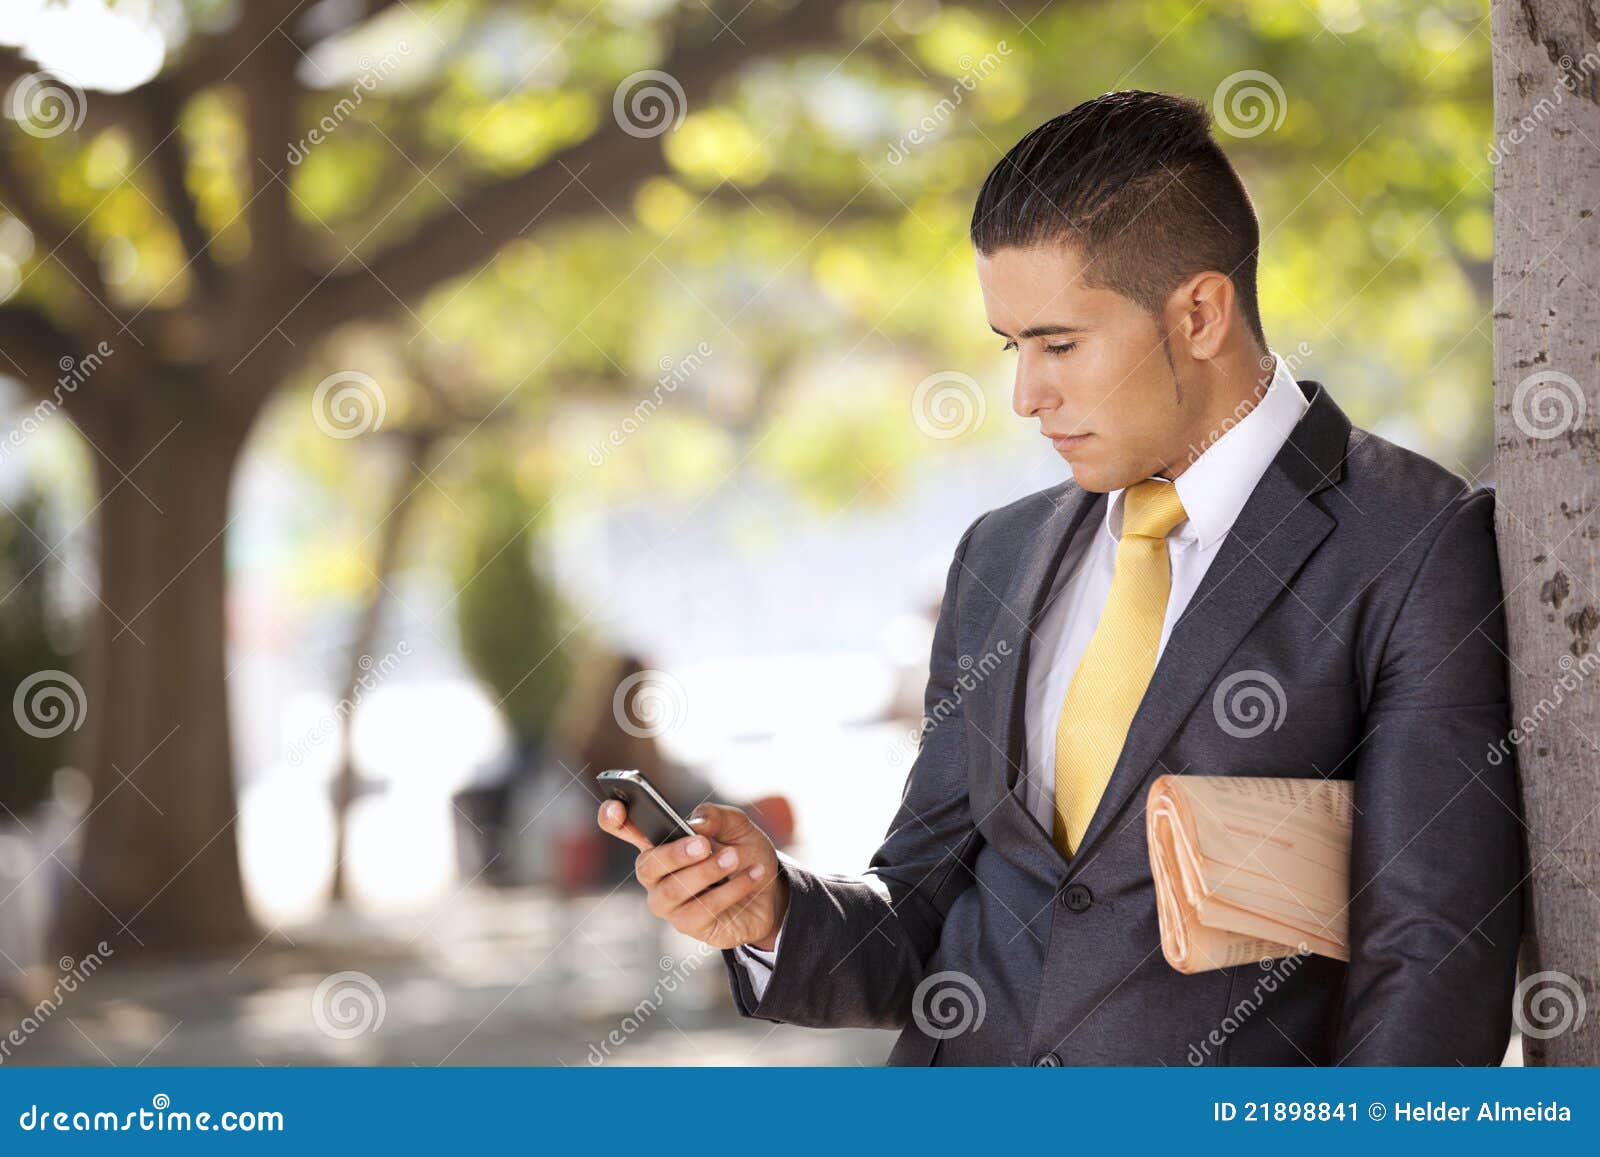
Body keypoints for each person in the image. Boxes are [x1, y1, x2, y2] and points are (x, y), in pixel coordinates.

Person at [598, 90, 1524, 1066]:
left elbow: (1431, 964)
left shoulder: (1413, 544)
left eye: (1058, 344)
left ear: (1200, 313)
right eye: (1013, 346)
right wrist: (774, 909)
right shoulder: (1000, 555)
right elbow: (920, 909)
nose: (1024, 394)